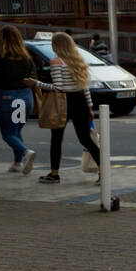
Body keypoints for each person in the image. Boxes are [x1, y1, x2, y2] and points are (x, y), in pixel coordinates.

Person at [25, 31, 99, 183]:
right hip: (80, 101)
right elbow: (85, 87)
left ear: (56, 45)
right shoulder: (78, 61)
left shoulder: (56, 62)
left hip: (63, 102)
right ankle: (102, 172)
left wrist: (36, 83)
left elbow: (58, 88)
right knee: (85, 139)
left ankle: (54, 174)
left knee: (56, 139)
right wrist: (90, 107)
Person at [0, 25, 37, 174]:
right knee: (16, 131)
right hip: (25, 98)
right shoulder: (27, 58)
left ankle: (25, 152)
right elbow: (34, 78)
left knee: (8, 135)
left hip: (8, 98)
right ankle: (17, 163)